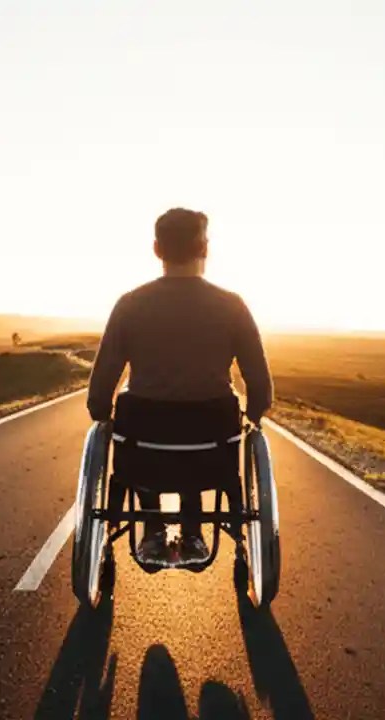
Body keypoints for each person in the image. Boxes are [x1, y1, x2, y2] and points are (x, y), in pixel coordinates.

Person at [87, 208, 274, 567]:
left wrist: (103, 417)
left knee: (140, 430)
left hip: (142, 454)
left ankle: (153, 530)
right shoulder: (233, 306)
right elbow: (261, 390)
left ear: (157, 249)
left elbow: (99, 394)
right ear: (205, 248)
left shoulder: (129, 305)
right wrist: (252, 418)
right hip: (212, 454)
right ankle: (192, 532)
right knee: (201, 432)